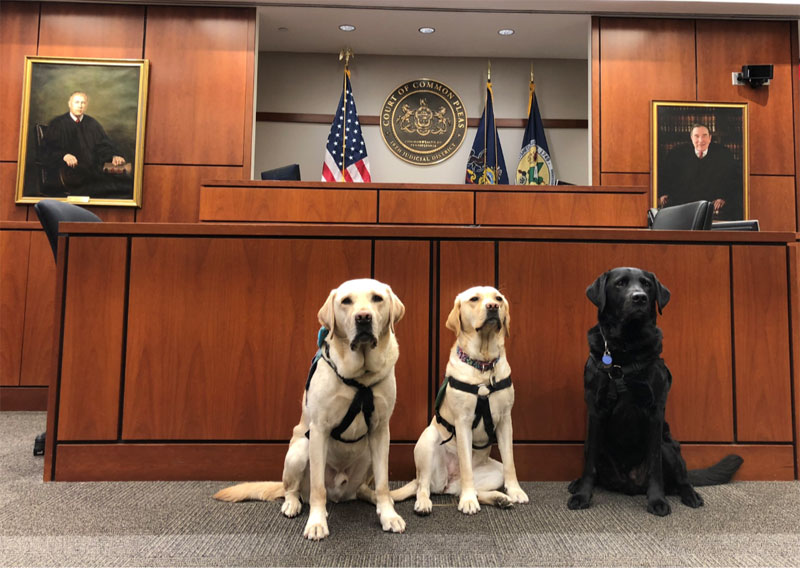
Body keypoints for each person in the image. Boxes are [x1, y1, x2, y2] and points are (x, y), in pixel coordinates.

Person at [39, 91, 130, 197]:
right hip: (70, 172)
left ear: (86, 105)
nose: (80, 106)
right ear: (70, 104)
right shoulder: (57, 124)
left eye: (83, 103)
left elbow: (103, 145)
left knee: (124, 177)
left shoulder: (92, 123)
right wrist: (64, 155)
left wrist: (114, 156)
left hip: (94, 169)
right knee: (104, 188)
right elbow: (46, 149)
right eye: (77, 102)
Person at [658, 123, 743, 221]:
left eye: (704, 136)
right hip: (684, 205)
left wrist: (724, 198)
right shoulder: (677, 154)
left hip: (712, 207)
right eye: (696, 136)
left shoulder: (724, 155)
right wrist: (664, 194)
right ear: (691, 138)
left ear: (710, 138)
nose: (700, 140)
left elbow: (733, 181)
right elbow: (666, 177)